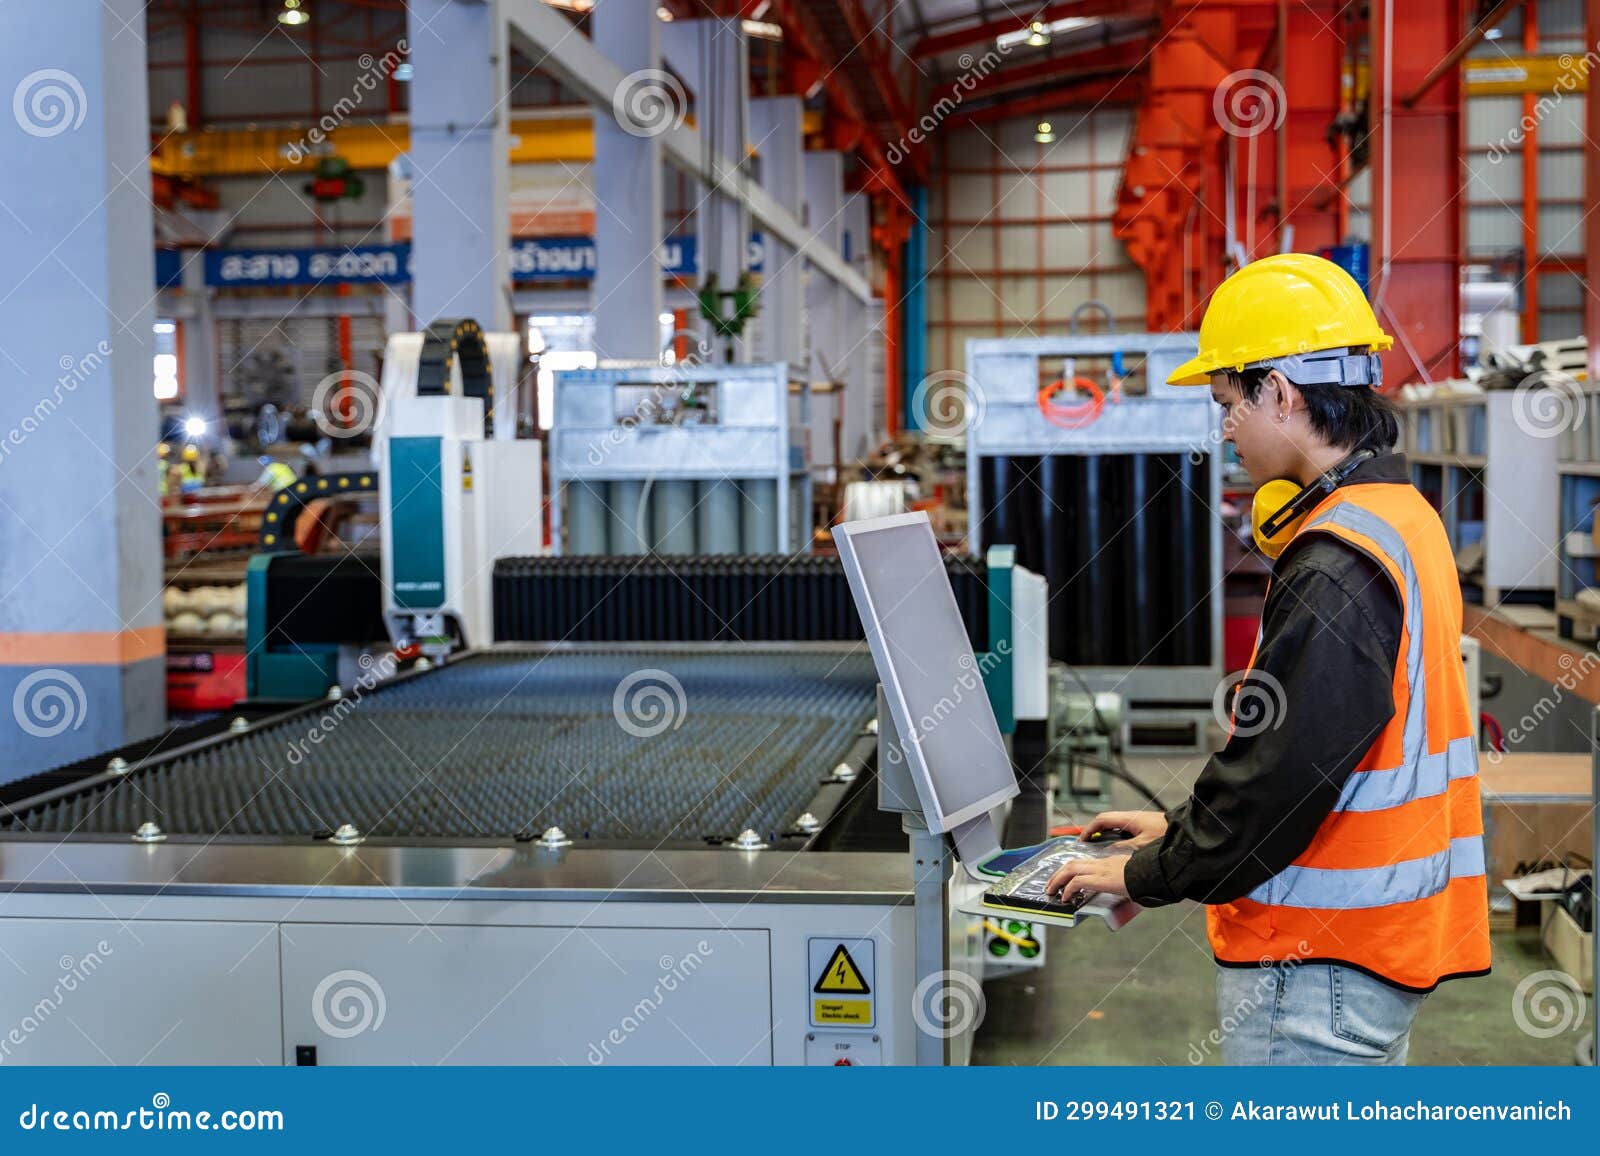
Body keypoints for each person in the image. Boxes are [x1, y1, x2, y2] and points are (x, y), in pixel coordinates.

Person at [1046, 253, 1490, 1065]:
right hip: (1373, 943)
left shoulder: (1336, 562)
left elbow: (1285, 774)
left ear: (1280, 393)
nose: (1224, 430)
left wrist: (1148, 873)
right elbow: (1326, 755)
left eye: (1227, 403)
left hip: (1315, 967)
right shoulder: (1402, 517)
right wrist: (1179, 833)